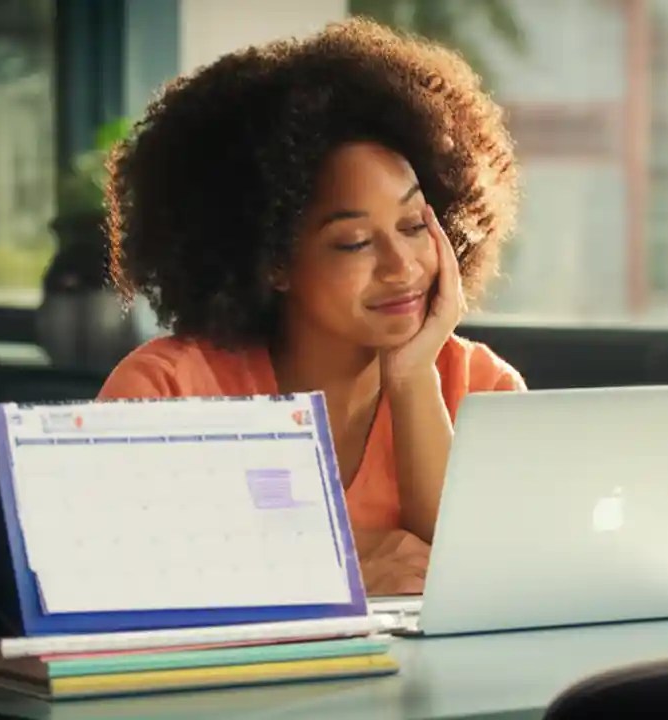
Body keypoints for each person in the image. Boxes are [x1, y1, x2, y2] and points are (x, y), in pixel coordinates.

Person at [95, 18, 526, 596]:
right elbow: (110, 584)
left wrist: (413, 376)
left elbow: (485, 581)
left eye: (412, 224)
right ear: (273, 260)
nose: (402, 266)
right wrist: (332, 575)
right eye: (354, 242)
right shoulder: (168, 394)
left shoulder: (481, 387)